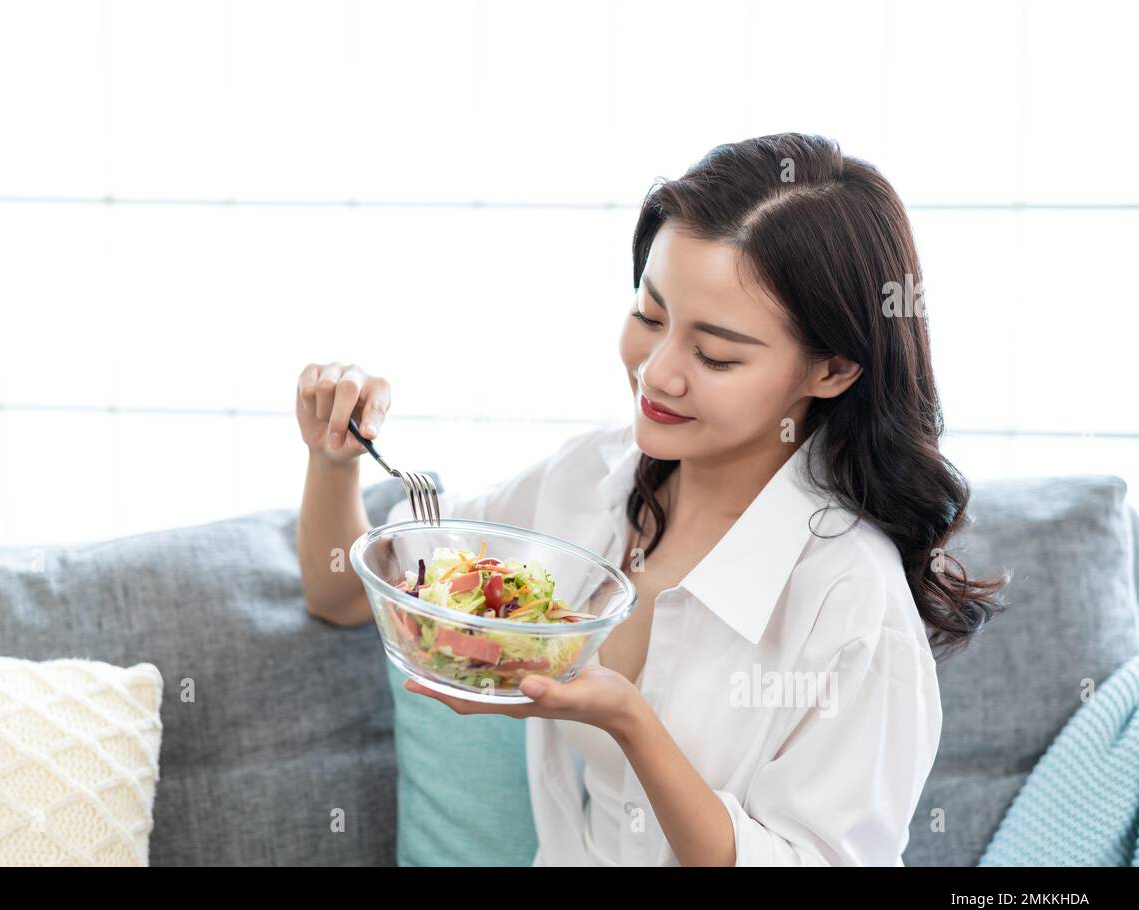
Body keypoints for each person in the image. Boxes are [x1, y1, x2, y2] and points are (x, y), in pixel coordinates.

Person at [295, 132, 1008, 866]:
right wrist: (332, 460)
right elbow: (342, 594)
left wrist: (631, 721)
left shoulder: (853, 601)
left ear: (831, 369)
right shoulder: (586, 478)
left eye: (715, 354)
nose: (656, 373)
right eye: (650, 315)